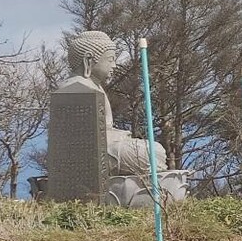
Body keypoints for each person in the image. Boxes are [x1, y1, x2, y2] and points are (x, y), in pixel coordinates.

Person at [64, 30, 168, 178]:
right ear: (88, 59)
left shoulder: (94, 86)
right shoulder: (77, 89)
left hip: (107, 147)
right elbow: (86, 141)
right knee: (150, 152)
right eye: (110, 60)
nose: (114, 65)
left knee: (154, 149)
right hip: (93, 155)